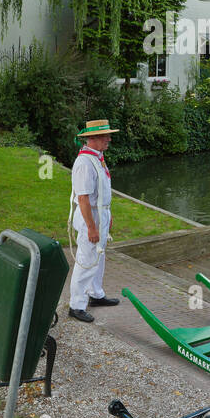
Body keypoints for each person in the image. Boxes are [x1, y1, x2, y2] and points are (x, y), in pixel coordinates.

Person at [66, 118, 120, 322]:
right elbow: (83, 198)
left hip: (100, 214)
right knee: (86, 259)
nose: (109, 139)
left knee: (99, 255)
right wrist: (91, 227)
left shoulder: (97, 158)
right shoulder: (84, 163)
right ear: (94, 138)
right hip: (91, 217)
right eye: (106, 135)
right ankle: (76, 304)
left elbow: (101, 192)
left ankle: (95, 293)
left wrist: (108, 215)